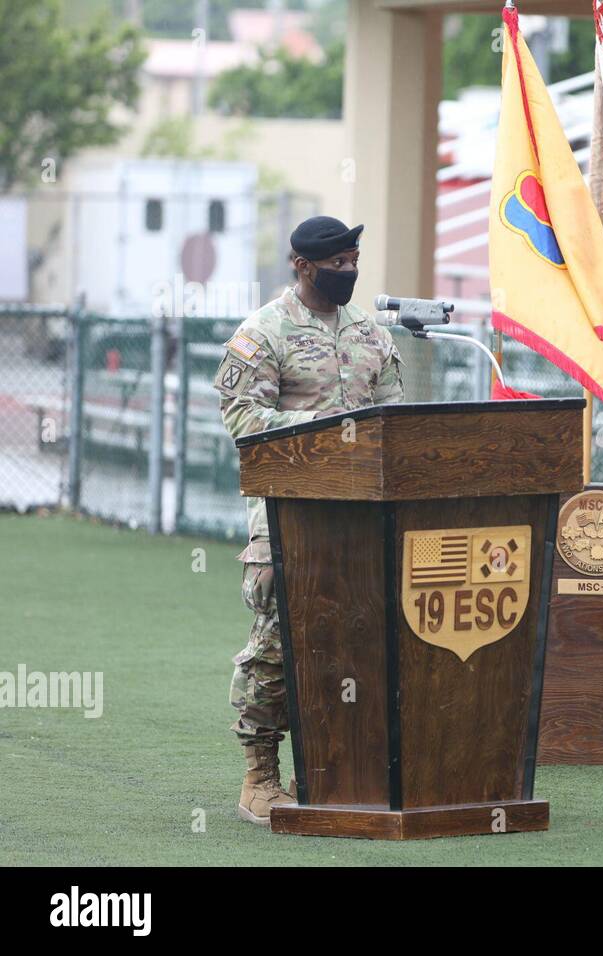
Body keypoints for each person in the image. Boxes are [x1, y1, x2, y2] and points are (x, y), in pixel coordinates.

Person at [213, 216, 404, 825]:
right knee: (276, 645)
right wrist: (328, 436)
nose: (347, 272)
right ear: (301, 264)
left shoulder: (372, 334)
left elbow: (395, 423)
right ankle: (260, 777)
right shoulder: (264, 331)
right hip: (287, 515)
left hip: (361, 519)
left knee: (358, 643)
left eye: (353, 261)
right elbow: (243, 419)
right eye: (336, 263)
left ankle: (328, 770)